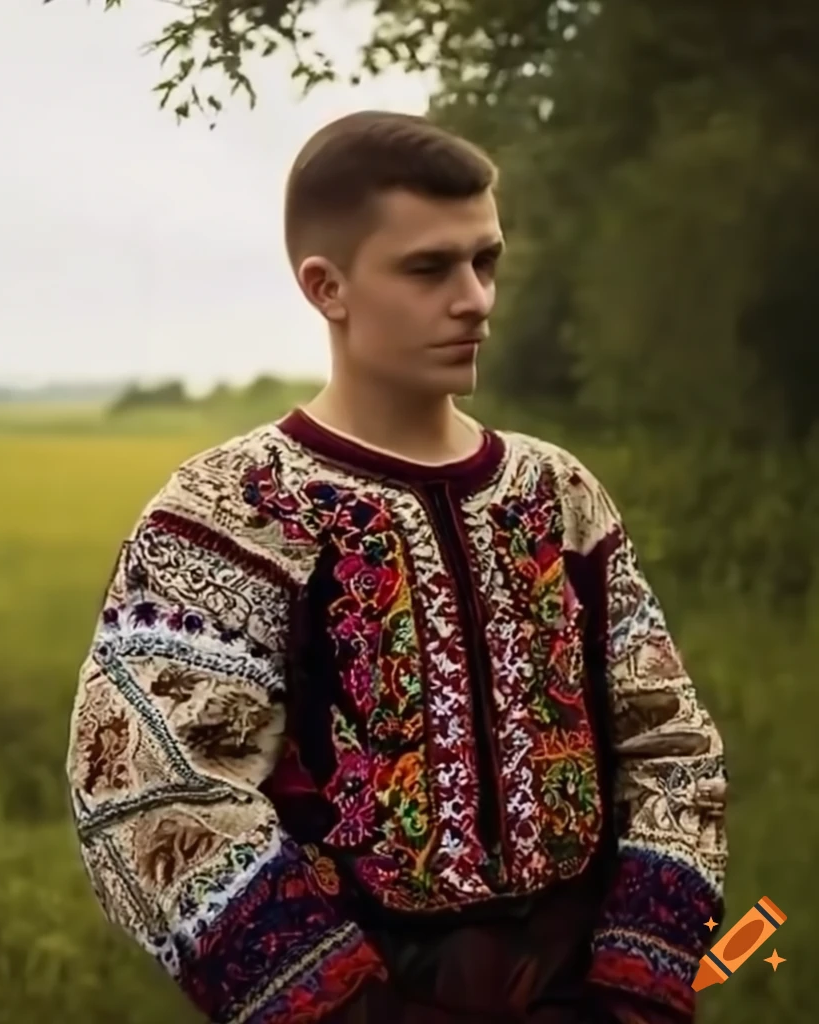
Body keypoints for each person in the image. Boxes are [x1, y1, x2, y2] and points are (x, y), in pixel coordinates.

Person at [65, 111, 728, 1024]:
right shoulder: (225, 513)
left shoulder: (562, 494)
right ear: (326, 286)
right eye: (429, 269)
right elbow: (152, 792)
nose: (476, 300)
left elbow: (672, 747)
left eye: (484, 260)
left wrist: (640, 986)